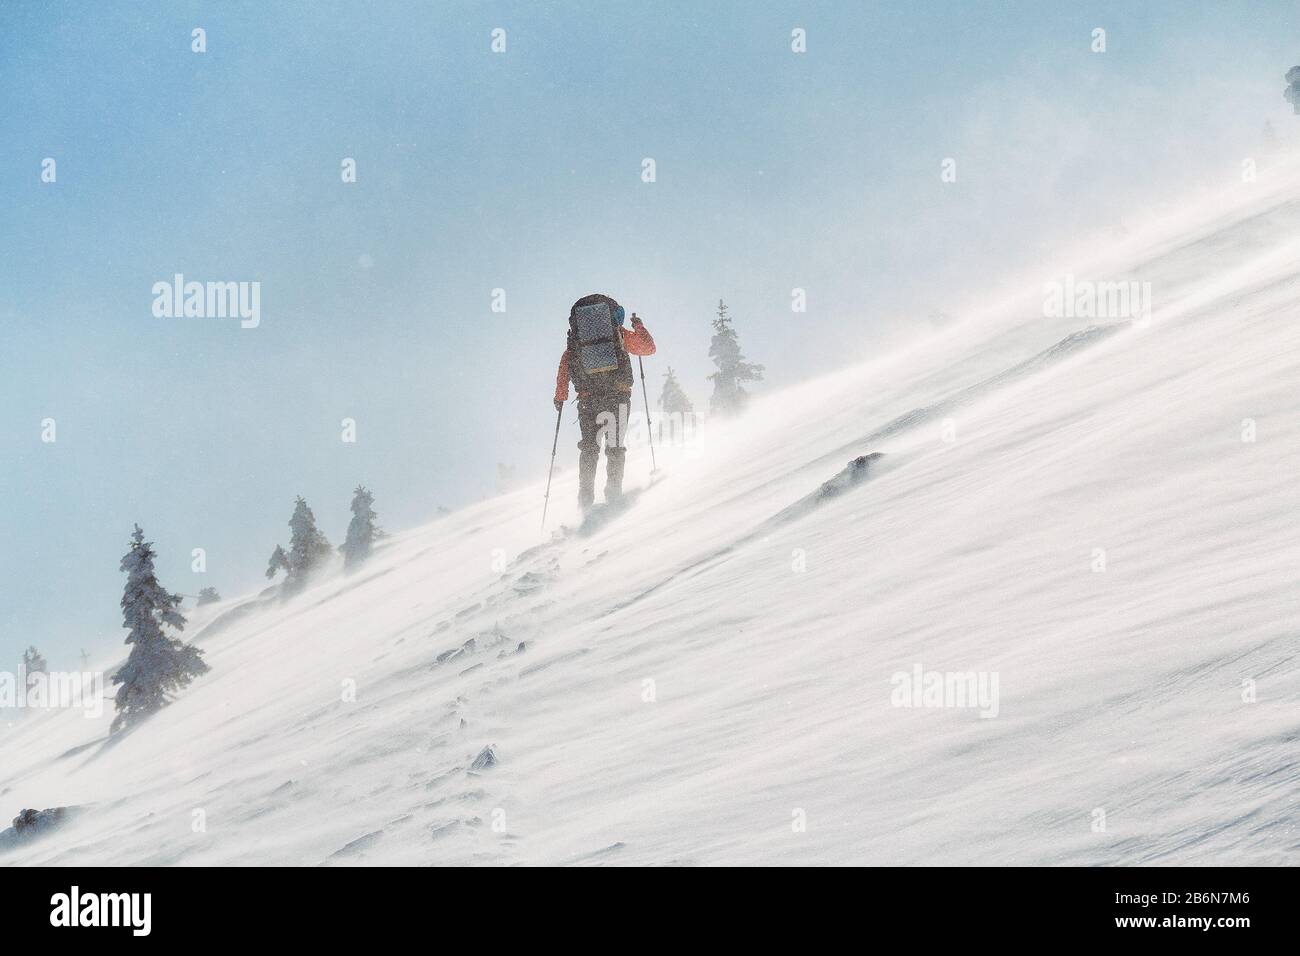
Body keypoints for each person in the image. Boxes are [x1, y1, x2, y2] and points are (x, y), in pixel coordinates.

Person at [553, 293, 656, 510]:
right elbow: (648, 348)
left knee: (589, 448)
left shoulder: (575, 345)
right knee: (615, 446)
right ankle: (613, 491)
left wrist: (560, 397)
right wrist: (638, 325)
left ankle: (585, 497)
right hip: (617, 397)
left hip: (588, 402)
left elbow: (564, 369)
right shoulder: (618, 336)